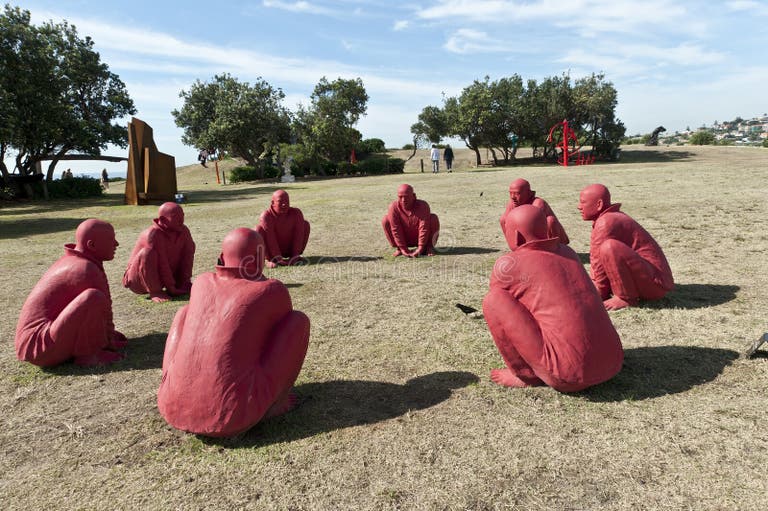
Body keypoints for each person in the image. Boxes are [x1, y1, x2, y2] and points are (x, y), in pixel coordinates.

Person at [157, 228, 310, 437]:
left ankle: (173, 383)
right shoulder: (271, 290)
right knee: (298, 321)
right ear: (259, 257)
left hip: (170, 405)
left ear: (222, 257)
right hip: (238, 413)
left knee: (183, 312)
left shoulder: (201, 283)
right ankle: (277, 403)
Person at [483, 205, 623, 391]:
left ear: (516, 236)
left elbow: (503, 307)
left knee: (494, 301)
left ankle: (525, 374)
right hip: (613, 361)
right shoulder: (568, 252)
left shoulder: (509, 265)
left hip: (566, 374)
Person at [15, 219, 127, 367]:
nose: (116, 244)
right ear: (91, 245)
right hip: (40, 347)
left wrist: (109, 336)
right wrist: (109, 343)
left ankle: (92, 346)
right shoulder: (84, 269)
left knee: (93, 298)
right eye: (110, 239)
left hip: (38, 342)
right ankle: (89, 355)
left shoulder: (77, 261)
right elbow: (102, 307)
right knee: (93, 297)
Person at [578, 184, 674, 311]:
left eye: (583, 202)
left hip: (656, 285)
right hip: (653, 278)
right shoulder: (609, 217)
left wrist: (599, 292)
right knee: (608, 248)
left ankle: (626, 297)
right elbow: (597, 259)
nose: (579, 207)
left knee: (610, 247)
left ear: (599, 205)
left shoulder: (606, 222)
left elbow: (598, 263)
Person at [123, 202, 196, 303]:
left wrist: (185, 281)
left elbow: (188, 257)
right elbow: (162, 262)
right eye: (176, 217)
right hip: (139, 280)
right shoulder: (153, 234)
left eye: (182, 216)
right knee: (148, 253)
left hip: (165, 277)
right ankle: (155, 291)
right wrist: (170, 287)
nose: (181, 220)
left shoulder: (183, 231)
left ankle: (181, 283)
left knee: (190, 246)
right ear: (163, 220)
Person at [499, 178, 569, 247]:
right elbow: (505, 220)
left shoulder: (538, 203)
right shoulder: (512, 203)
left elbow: (533, 226)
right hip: (527, 237)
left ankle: (555, 248)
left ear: (528, 193)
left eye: (517, 193)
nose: (513, 197)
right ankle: (515, 248)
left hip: (546, 238)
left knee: (550, 221)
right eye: (510, 193)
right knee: (503, 219)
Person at [255, 190, 310, 268]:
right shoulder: (266, 216)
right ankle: (269, 259)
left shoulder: (296, 213)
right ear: (273, 203)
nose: (284, 204)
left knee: (305, 225)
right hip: (272, 251)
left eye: (287, 201)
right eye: (280, 202)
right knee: (258, 230)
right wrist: (278, 258)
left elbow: (299, 235)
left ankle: (295, 255)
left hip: (289, 248)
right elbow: (271, 238)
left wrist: (295, 255)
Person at [381, 184, 440, 257]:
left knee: (433, 219)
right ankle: (399, 248)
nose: (403, 200)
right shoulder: (393, 207)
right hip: (404, 239)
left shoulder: (423, 206)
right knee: (386, 220)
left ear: (414, 196)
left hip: (420, 238)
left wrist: (421, 247)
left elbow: (424, 228)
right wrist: (402, 248)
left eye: (406, 197)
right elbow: (395, 229)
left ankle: (428, 247)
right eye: (400, 197)